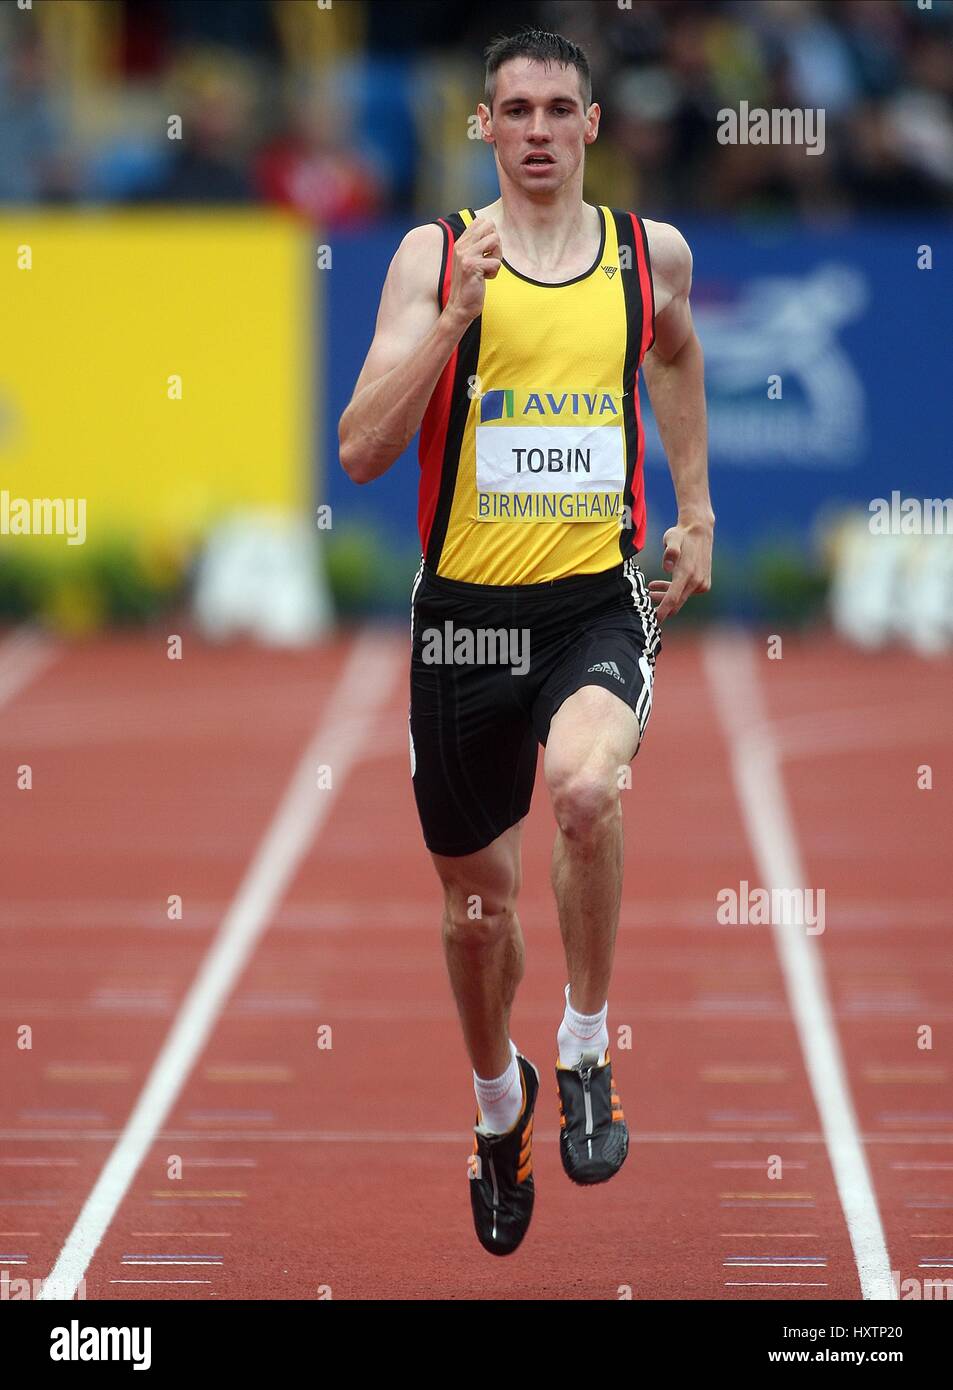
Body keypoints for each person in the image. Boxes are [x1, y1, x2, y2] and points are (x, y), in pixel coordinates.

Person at [338, 28, 713, 1256]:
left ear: (592, 126)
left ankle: (588, 1044)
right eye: (516, 110)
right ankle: (499, 1106)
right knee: (474, 915)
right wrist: (450, 324)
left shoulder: (645, 257)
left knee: (585, 792)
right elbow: (359, 449)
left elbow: (673, 353)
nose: (539, 130)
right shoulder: (433, 255)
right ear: (484, 128)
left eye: (561, 108)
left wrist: (696, 507)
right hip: (459, 620)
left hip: (589, 601)